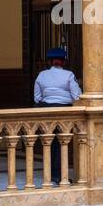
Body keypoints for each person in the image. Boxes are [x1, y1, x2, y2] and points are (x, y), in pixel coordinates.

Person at [34, 47, 81, 185]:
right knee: (63, 144)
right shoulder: (69, 75)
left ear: (49, 62)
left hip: (47, 112)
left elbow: (37, 98)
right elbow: (76, 96)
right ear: (64, 61)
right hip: (64, 112)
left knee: (49, 143)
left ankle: (50, 176)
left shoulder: (41, 75)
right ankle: (62, 177)